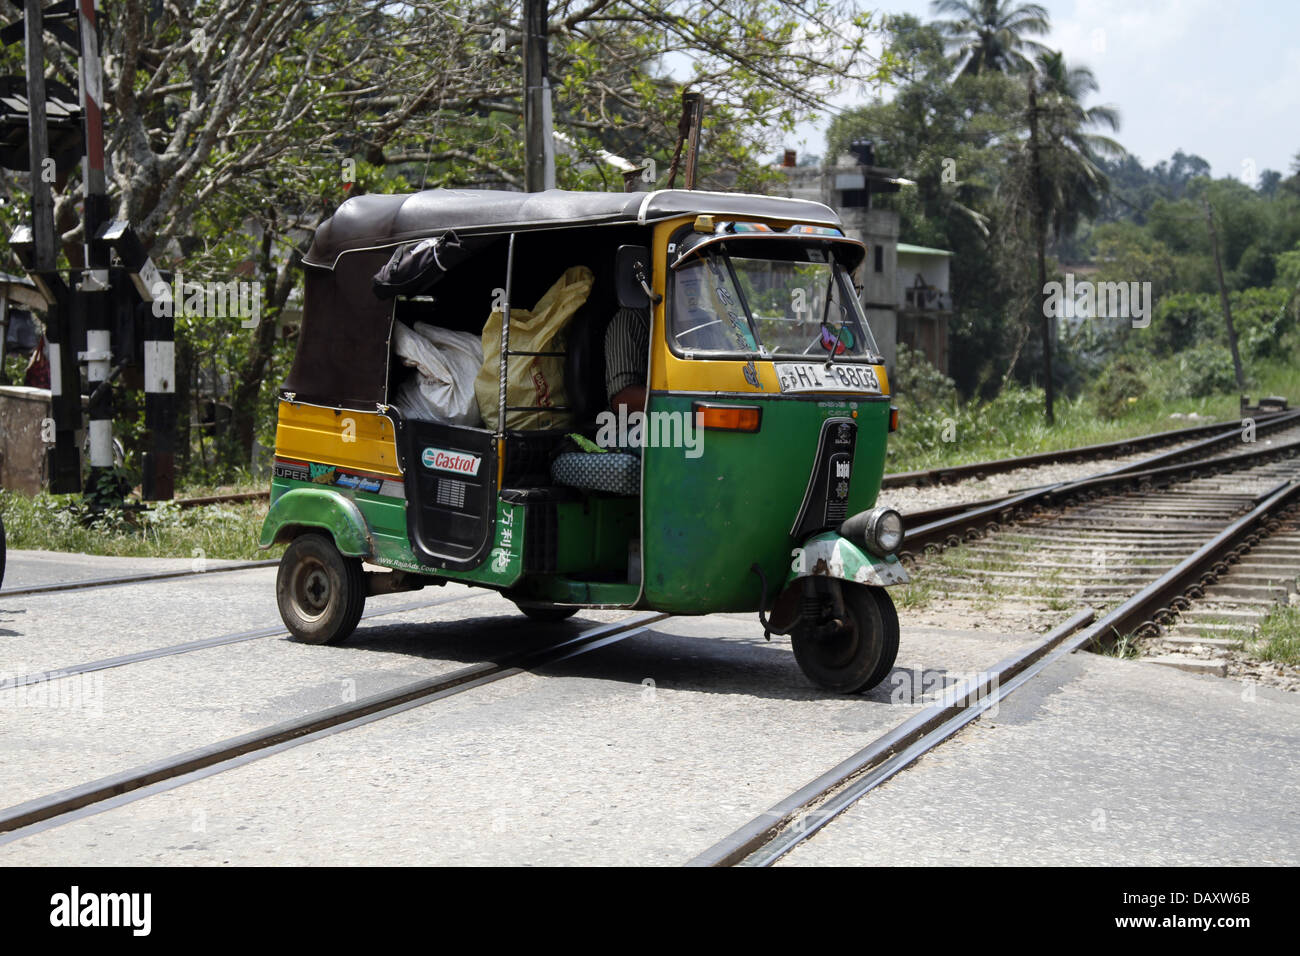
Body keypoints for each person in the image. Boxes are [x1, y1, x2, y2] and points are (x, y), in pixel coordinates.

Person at [604, 305, 649, 415]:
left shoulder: (695, 323)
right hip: (631, 424)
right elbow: (622, 399)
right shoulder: (633, 318)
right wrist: (679, 402)